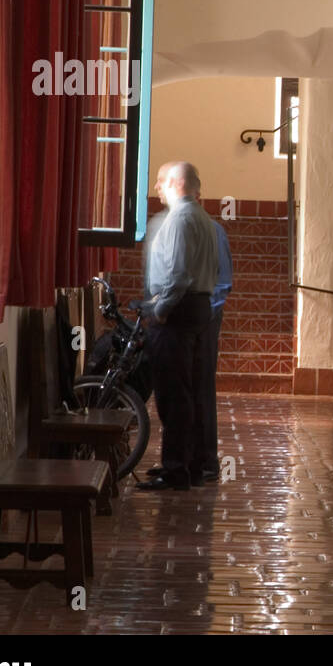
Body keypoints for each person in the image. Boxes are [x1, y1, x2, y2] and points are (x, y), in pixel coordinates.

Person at [138, 161, 218, 491]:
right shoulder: (204, 219)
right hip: (198, 308)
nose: (157, 187)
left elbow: (178, 274)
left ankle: (175, 470)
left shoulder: (181, 219)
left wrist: (161, 310)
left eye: (160, 181)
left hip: (178, 312)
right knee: (191, 391)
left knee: (173, 395)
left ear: (176, 182)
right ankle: (191, 464)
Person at [193, 213, 232, 482]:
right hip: (179, 318)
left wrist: (206, 312)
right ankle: (182, 461)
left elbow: (223, 281)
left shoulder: (213, 231)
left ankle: (207, 461)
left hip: (203, 318)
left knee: (202, 385)